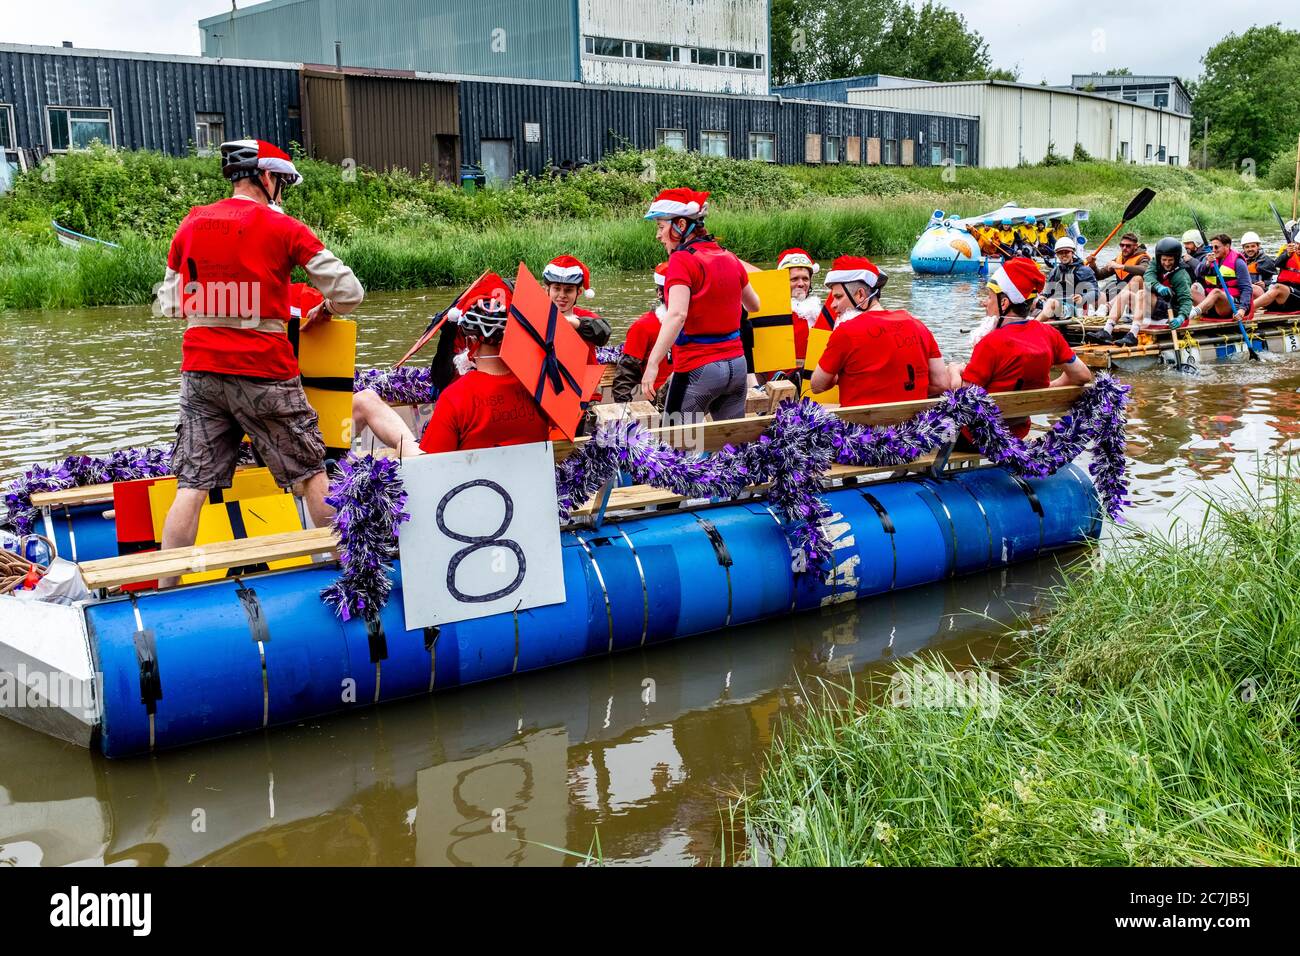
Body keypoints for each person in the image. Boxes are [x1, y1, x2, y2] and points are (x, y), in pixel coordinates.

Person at [156, 138, 364, 579]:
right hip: (264, 373)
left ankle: (163, 587)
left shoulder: (191, 222)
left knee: (191, 484)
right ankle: (346, 574)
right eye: (282, 183)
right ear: (267, 178)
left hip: (200, 374)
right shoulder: (284, 227)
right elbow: (349, 293)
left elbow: (172, 304)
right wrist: (324, 310)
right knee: (310, 472)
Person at [640, 188, 761, 423]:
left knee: (677, 445)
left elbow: (677, 314)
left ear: (681, 225)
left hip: (698, 369)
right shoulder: (729, 256)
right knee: (731, 445)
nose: (658, 235)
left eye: (661, 227)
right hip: (737, 366)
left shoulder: (681, 260)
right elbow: (754, 305)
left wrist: (653, 364)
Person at [959, 258, 1093, 442]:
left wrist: (954, 372)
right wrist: (1047, 389)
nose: (985, 303)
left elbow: (966, 400)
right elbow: (1082, 376)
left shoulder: (990, 342)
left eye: (989, 297)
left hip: (978, 438)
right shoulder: (1049, 334)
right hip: (1016, 432)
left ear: (1004, 303)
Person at [418, 275, 551, 454]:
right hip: (533, 478)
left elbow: (433, 464)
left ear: (470, 341)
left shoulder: (454, 398)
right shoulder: (541, 387)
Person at [810, 255, 950, 406]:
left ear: (861, 295)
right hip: (913, 426)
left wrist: (842, 376)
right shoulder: (918, 325)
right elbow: (941, 383)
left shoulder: (845, 332)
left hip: (861, 427)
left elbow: (817, 385)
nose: (833, 305)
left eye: (838, 297)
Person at [612, 263, 674, 405]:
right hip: (661, 402)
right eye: (672, 291)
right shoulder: (642, 327)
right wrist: (625, 413)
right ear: (659, 292)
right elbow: (624, 377)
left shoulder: (696, 324)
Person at [1084, 233, 1150, 343]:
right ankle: (1104, 324)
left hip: (1140, 302)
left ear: (1135, 246)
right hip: (1122, 302)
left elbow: (1145, 270)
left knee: (1137, 279)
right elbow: (1099, 275)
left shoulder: (1143, 258)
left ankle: (1108, 307)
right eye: (1122, 245)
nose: (1124, 248)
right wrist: (1093, 265)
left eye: (1128, 246)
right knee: (1101, 290)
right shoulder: (1119, 259)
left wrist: (1121, 267)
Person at [1188, 234, 1253, 323]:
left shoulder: (1238, 262)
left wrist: (1242, 310)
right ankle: (1187, 312)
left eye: (1216, 247)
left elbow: (1246, 288)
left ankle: (1192, 313)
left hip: (1230, 306)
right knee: (1190, 289)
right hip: (1211, 306)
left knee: (1216, 292)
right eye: (1212, 247)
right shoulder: (1209, 258)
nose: (1213, 250)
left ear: (1227, 246)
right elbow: (1197, 273)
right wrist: (1207, 263)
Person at [1138, 237, 1195, 331]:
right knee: (1133, 287)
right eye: (1164, 260)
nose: (1167, 263)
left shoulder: (1181, 275)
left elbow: (1186, 300)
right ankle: (1110, 326)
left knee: (1143, 293)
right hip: (1157, 304)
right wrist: (1157, 286)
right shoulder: (1155, 262)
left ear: (1176, 259)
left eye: (1170, 260)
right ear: (1159, 257)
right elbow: (1148, 276)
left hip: (1171, 310)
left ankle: (1138, 326)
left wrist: (1181, 317)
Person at [777, 247, 823, 363]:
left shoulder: (818, 311)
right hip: (780, 376)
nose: (801, 284)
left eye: (805, 279)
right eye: (794, 279)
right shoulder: (772, 310)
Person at [1036, 238, 1098, 321]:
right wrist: (1043, 296)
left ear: (1072, 253)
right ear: (1057, 255)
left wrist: (1082, 297)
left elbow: (1095, 292)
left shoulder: (1084, 271)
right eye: (1060, 253)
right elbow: (1048, 291)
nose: (1063, 255)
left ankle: (1032, 326)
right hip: (1057, 304)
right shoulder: (1055, 271)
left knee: (1051, 302)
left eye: (1067, 252)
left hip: (1074, 308)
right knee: (1034, 301)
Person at [1253, 233, 1300, 313]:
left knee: (1278, 288)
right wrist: (1287, 255)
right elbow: (1276, 264)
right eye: (1297, 244)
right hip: (1280, 294)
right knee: (1254, 288)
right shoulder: (1288, 254)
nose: (1298, 248)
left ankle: (1245, 309)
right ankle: (1240, 306)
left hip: (1296, 296)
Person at [1238, 231, 1277, 298]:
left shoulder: (1266, 260)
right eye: (1247, 247)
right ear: (1243, 248)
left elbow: (1275, 278)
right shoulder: (1239, 261)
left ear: (1258, 246)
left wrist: (1265, 283)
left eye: (1253, 246)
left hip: (1261, 292)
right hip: (1244, 291)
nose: (1250, 249)